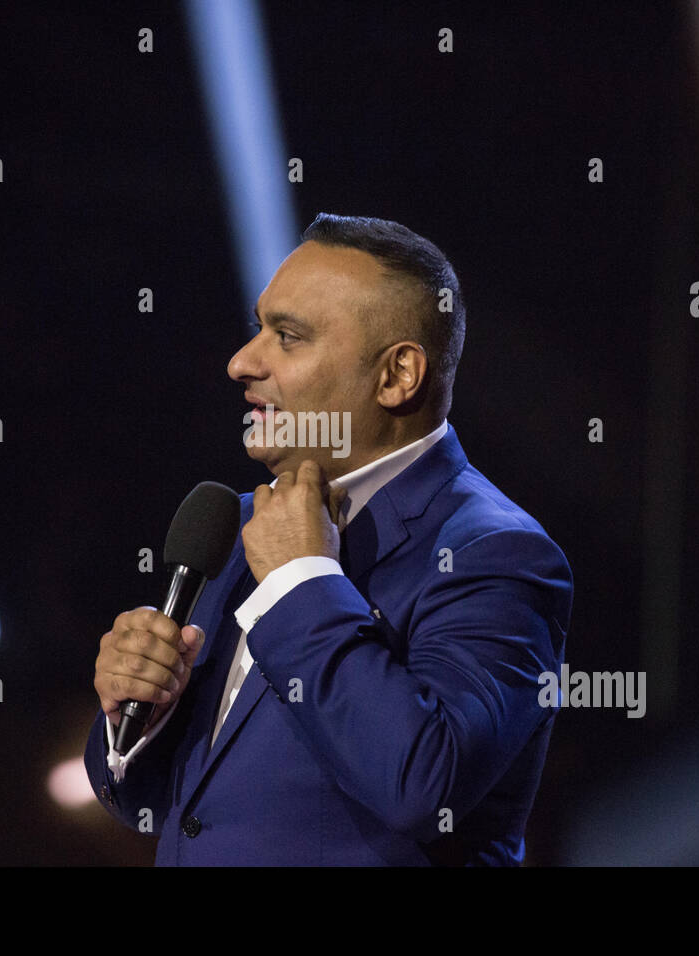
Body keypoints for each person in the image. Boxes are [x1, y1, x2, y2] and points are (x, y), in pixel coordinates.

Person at [84, 213, 572, 865]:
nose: (240, 362)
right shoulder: (240, 524)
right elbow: (174, 811)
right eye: (259, 328)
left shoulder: (497, 553)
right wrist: (141, 715)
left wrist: (301, 583)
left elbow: (424, 784)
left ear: (397, 375)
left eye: (288, 337)